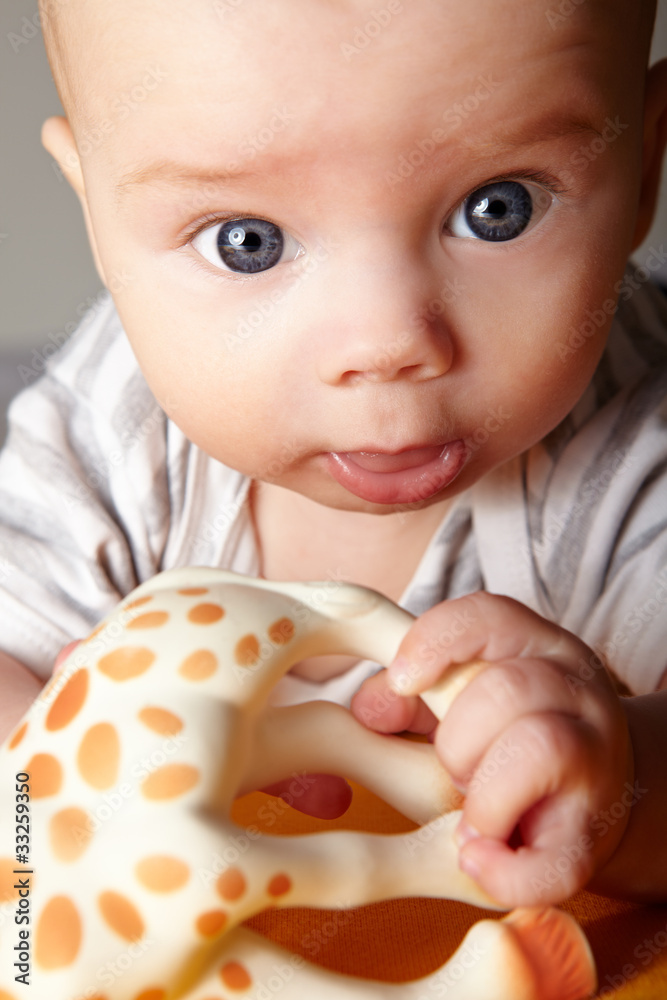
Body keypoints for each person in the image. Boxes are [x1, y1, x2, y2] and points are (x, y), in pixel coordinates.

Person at [1, 0, 667, 911]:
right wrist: (44, 774)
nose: (386, 340)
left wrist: (623, 786)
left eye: (497, 209)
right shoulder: (116, 431)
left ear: (642, 169)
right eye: (248, 243)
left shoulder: (636, 452)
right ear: (97, 218)